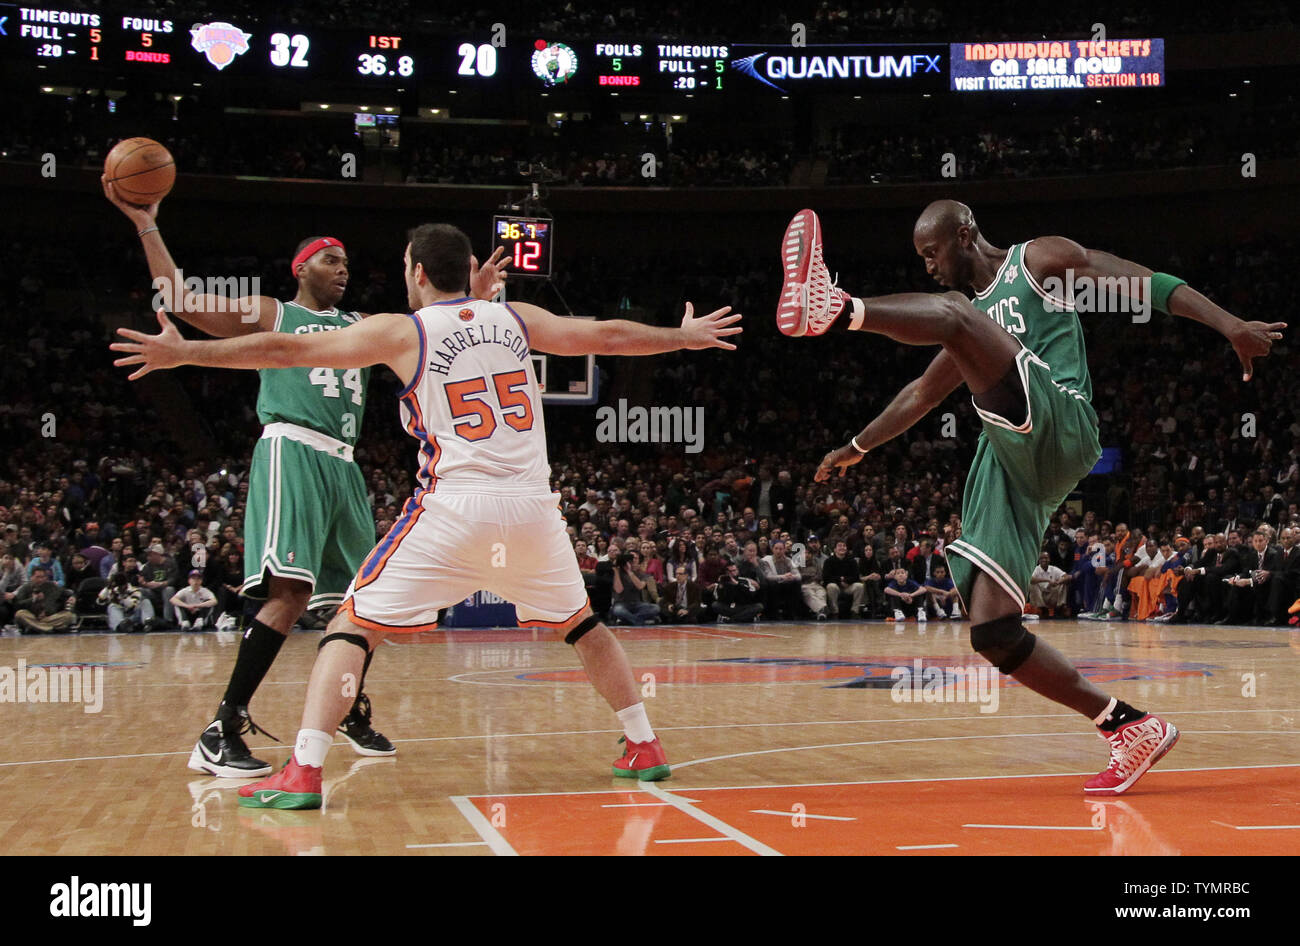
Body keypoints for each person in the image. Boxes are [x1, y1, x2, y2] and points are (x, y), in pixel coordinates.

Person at [113, 221, 741, 808]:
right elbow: (606, 334)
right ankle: (643, 742)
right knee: (582, 625)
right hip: (534, 510)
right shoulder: (517, 318)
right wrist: (681, 337)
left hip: (456, 509)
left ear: (415, 272)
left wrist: (185, 354)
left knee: (352, 624)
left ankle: (303, 769)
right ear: (469, 270)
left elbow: (283, 352)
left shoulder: (401, 331)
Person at [784, 200, 1284, 793]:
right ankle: (1129, 726)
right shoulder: (969, 327)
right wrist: (856, 447)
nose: (928, 266)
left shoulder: (1037, 262)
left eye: (931, 252)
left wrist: (1229, 325)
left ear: (964, 233)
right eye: (920, 258)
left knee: (953, 315)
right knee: (993, 631)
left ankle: (837, 306)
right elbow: (920, 394)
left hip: (1063, 423)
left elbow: (1139, 279)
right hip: (1011, 465)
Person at [103, 180, 508, 776]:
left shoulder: (365, 323)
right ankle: (222, 727)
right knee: (288, 596)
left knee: (364, 603)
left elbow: (437, 318)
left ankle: (343, 706)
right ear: (301, 268)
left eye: (346, 261)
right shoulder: (276, 313)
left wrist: (468, 293)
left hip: (343, 465)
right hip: (293, 449)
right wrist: (145, 222)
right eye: (329, 259)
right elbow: (179, 296)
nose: (343, 268)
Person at [13, 565, 76, 634]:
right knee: (20, 614)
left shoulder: (51, 586)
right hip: (32, 617)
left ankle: (37, 628)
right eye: (37, 577)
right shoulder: (25, 588)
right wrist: (33, 599)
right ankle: (48, 628)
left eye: (42, 577)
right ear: (31, 577)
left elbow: (66, 592)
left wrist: (73, 597)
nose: (40, 580)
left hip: (49, 617)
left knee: (68, 616)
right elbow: (18, 604)